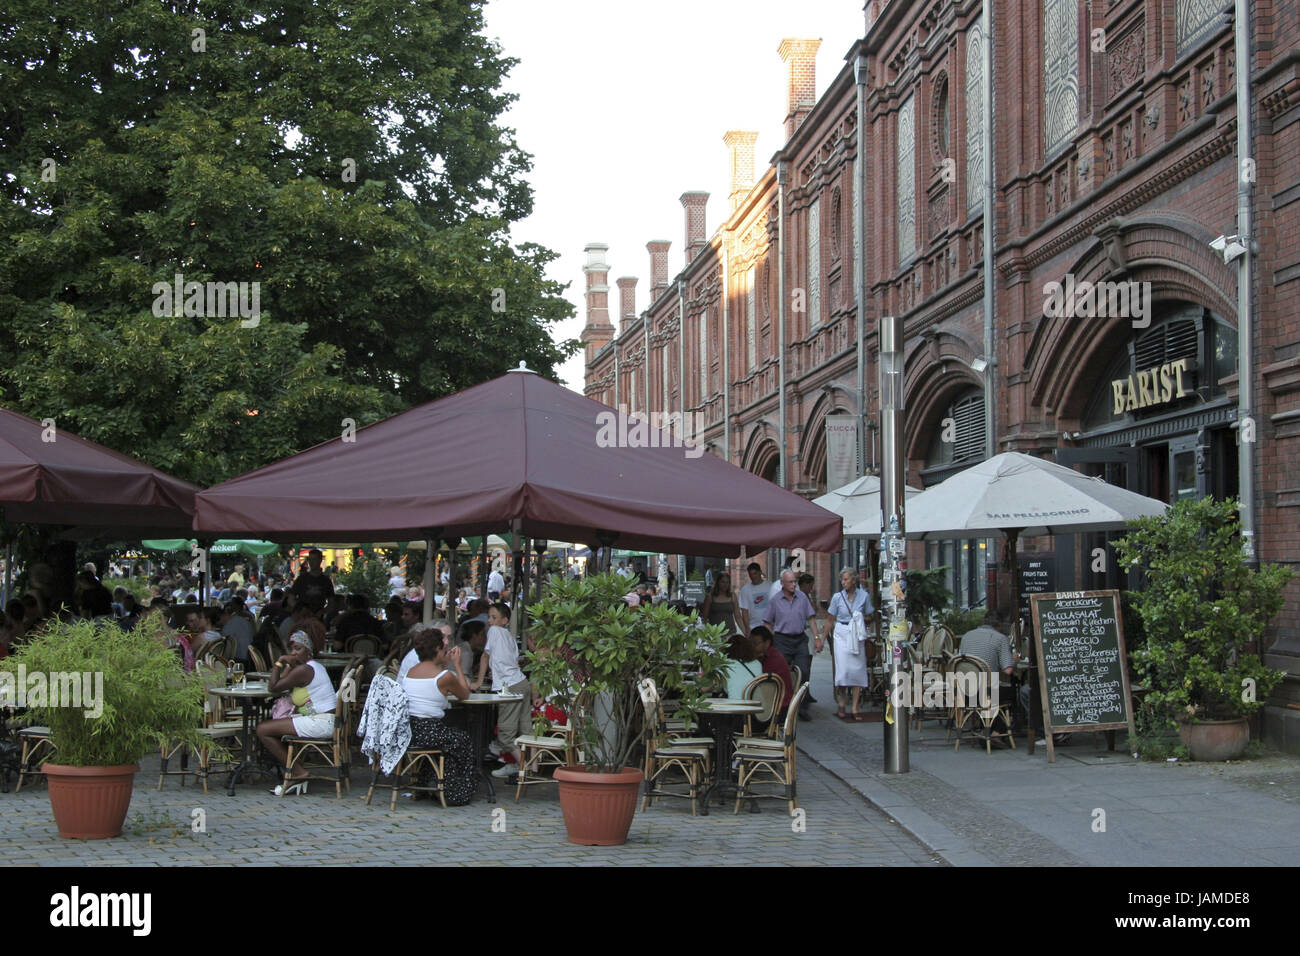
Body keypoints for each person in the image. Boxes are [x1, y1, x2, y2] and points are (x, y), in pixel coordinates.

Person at [401, 628, 477, 805]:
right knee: (462, 739)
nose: (446, 651)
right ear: (436, 649)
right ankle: (455, 791)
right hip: (430, 731)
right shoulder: (445, 677)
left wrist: (444, 664)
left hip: (410, 729)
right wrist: (457, 664)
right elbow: (464, 694)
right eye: (444, 649)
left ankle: (429, 782)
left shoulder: (410, 672)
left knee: (450, 736)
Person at [257, 633, 337, 796]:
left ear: (308, 651)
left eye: (298, 649)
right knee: (272, 727)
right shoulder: (313, 666)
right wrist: (288, 665)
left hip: (320, 722)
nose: (293, 653)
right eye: (291, 649)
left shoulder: (304, 670)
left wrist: (279, 661)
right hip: (323, 720)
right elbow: (284, 681)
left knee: (262, 729)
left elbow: (273, 687)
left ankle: (297, 772)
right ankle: (294, 771)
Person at [469, 602, 530, 778]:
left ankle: (525, 767)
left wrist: (478, 681)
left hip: (509, 686)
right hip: (521, 682)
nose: (489, 621)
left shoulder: (495, 632)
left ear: (504, 620)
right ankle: (533, 767)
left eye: (494, 617)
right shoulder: (510, 637)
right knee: (525, 729)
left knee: (505, 734)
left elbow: (485, 656)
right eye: (489, 617)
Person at [760, 571, 817, 720]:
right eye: (790, 582)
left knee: (804, 672)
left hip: (799, 640)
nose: (793, 585)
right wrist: (770, 639)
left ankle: (802, 707)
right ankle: (782, 707)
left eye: (794, 582)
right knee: (781, 674)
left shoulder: (802, 597)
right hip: (781, 640)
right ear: (782, 583)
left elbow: (811, 618)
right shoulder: (775, 600)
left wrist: (817, 638)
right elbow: (767, 621)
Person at [824, 567, 873, 720]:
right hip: (842, 633)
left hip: (856, 634)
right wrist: (821, 638)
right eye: (842, 580)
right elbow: (830, 620)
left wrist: (861, 619)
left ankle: (855, 706)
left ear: (854, 580)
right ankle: (843, 699)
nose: (843, 583)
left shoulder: (864, 596)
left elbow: (870, 616)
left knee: (858, 669)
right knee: (844, 669)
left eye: (846, 579)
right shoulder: (837, 597)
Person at [749, 625, 793, 713]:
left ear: (767, 643)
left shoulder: (773, 658)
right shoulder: (764, 655)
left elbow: (758, 682)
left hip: (777, 707)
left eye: (755, 643)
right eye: (750, 643)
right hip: (771, 701)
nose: (752, 646)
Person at [737, 563, 780, 636]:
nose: (753, 576)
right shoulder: (745, 590)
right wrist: (747, 628)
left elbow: (777, 606)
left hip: (770, 627)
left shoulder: (771, 586)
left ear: (760, 572)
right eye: (750, 574)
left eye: (755, 573)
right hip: (753, 628)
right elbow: (744, 612)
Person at [723, 633, 763, 698]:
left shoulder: (726, 664)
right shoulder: (757, 663)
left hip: (734, 706)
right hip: (755, 706)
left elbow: (708, 688)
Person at [219, 598, 256, 664]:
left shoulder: (231, 623)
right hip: (251, 655)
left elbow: (223, 642)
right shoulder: (246, 617)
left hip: (238, 659)